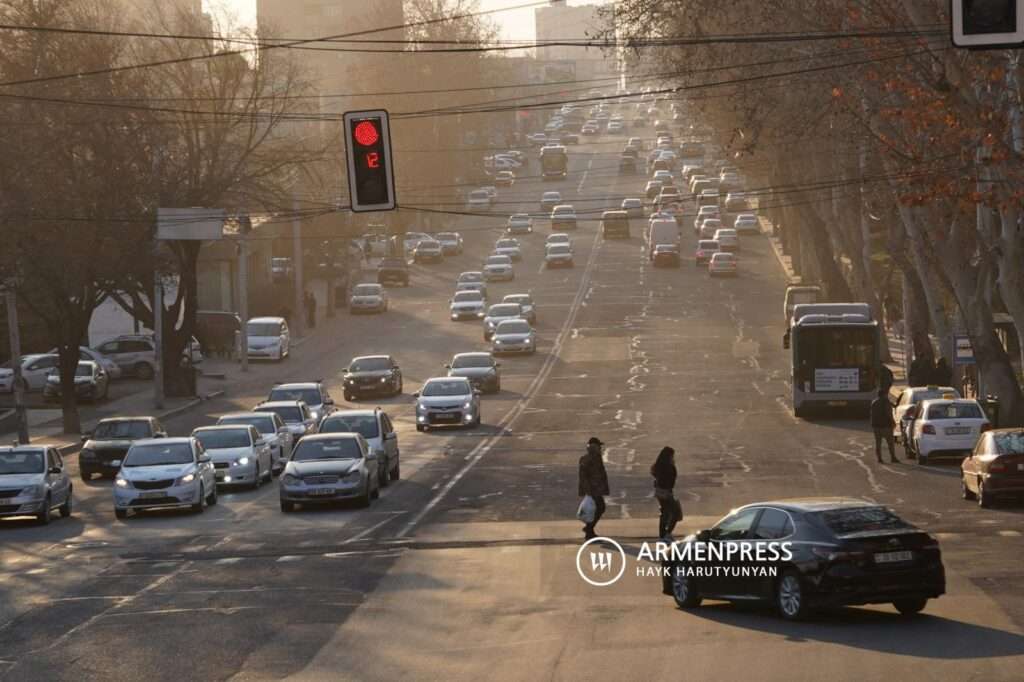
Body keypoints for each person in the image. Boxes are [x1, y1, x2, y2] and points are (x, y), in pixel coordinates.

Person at [578, 437, 610, 540]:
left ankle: (589, 529)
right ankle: (589, 529)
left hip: (595, 489)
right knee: (600, 508)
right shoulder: (590, 459)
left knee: (597, 508)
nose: (600, 448)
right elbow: (584, 476)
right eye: (599, 446)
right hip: (593, 490)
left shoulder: (593, 457)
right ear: (594, 447)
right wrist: (588, 490)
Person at [651, 447, 679, 540]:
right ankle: (666, 533)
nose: (673, 457)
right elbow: (670, 480)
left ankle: (663, 534)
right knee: (675, 513)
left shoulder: (658, 466)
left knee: (665, 513)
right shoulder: (669, 467)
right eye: (672, 456)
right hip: (666, 492)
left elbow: (656, 477)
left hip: (660, 492)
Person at [870, 388, 899, 463]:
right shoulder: (886, 402)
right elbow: (888, 413)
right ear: (884, 395)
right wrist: (893, 422)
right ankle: (893, 457)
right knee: (890, 442)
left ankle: (879, 458)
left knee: (878, 443)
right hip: (885, 426)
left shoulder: (874, 402)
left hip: (876, 426)